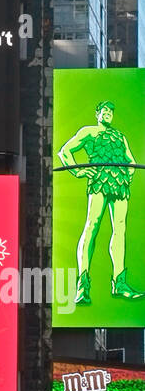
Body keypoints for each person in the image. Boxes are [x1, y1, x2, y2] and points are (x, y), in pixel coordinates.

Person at [57, 99, 144, 304]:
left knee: (120, 228)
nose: (108, 114)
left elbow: (130, 159)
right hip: (99, 181)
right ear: (97, 113)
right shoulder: (89, 132)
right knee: (92, 225)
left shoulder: (120, 136)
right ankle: (83, 284)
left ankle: (119, 282)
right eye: (104, 110)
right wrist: (78, 171)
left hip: (119, 183)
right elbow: (65, 151)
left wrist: (129, 172)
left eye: (110, 112)